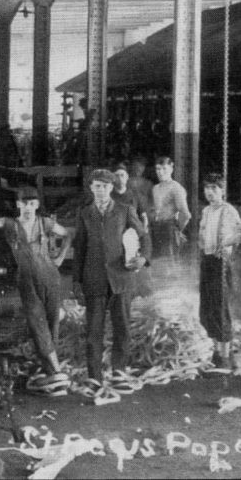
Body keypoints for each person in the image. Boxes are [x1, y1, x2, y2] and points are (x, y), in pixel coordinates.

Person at [0, 187, 71, 396]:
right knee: (37, 323)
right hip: (27, 281)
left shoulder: (45, 223)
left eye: (33, 204)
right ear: (18, 205)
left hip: (50, 277)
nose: (29, 208)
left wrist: (59, 257)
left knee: (52, 324)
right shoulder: (10, 225)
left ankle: (50, 373)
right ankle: (57, 373)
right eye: (25, 204)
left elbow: (68, 234)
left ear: (37, 205)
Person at [73, 169, 151, 387]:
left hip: (121, 278)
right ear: (91, 188)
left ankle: (118, 372)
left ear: (111, 188)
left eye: (105, 186)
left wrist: (143, 258)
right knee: (93, 332)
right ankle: (94, 376)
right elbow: (79, 248)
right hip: (94, 279)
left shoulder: (125, 210)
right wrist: (77, 282)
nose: (101, 190)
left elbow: (144, 237)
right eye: (97, 186)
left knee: (122, 328)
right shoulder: (85, 213)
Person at [197, 174, 241, 369]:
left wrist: (226, 245)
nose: (210, 192)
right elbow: (202, 236)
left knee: (219, 306)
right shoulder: (206, 210)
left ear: (222, 191)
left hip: (221, 262)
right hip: (207, 260)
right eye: (207, 188)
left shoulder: (229, 210)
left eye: (214, 188)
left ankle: (225, 355)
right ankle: (215, 351)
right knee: (207, 307)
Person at [150, 156, 191, 259]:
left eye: (164, 169)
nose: (161, 172)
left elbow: (185, 214)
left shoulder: (176, 188)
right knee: (155, 264)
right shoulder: (155, 188)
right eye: (158, 169)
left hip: (169, 229)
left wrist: (177, 230)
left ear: (171, 169)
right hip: (155, 229)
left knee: (168, 265)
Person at [111, 161, 148, 226]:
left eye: (122, 175)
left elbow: (144, 216)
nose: (120, 178)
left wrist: (144, 230)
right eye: (117, 175)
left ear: (127, 177)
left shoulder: (135, 195)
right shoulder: (109, 196)